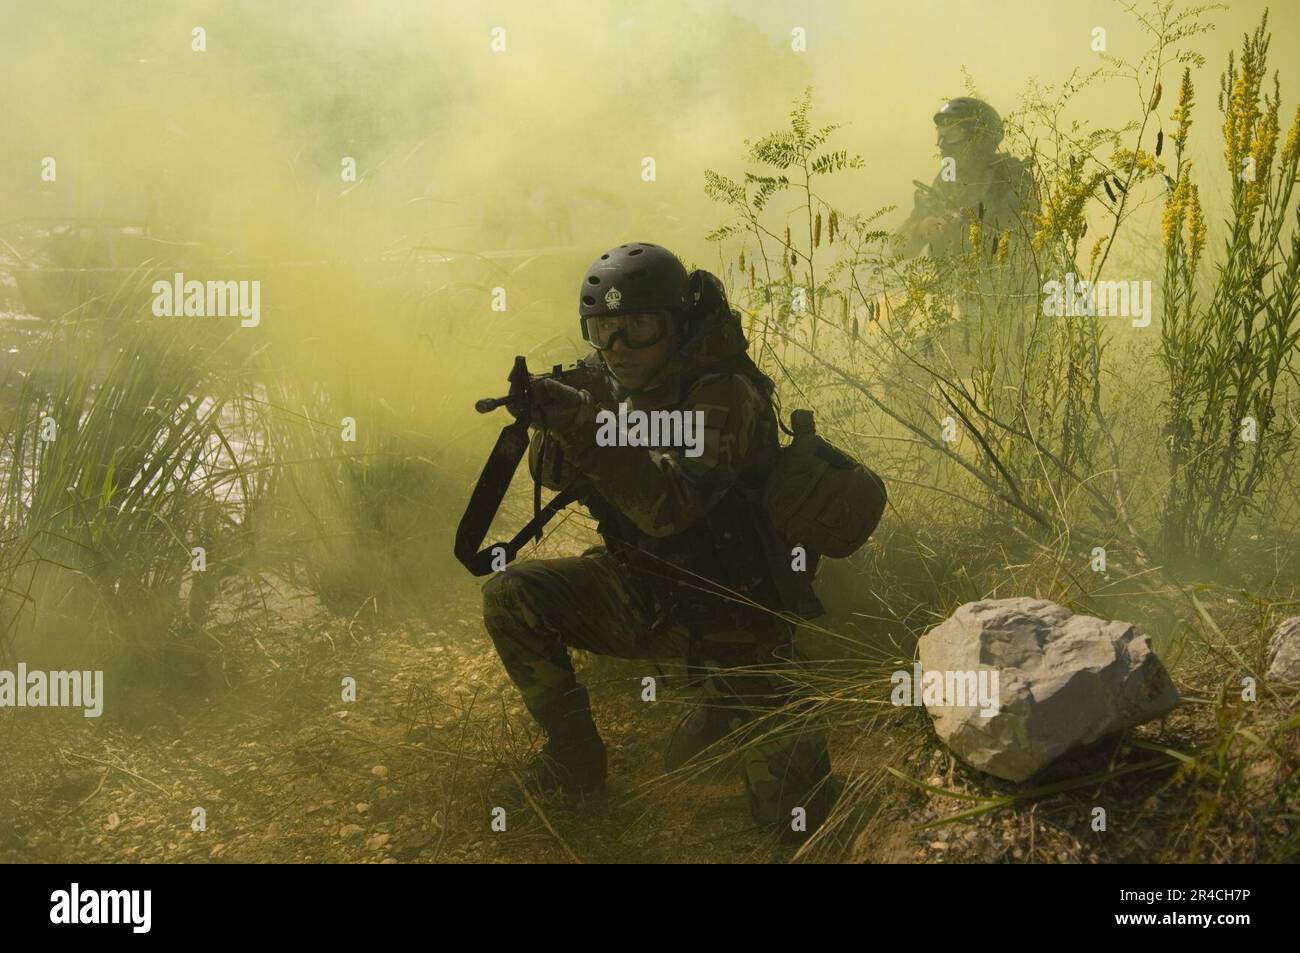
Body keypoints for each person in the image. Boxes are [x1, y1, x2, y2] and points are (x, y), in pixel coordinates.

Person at [480, 242, 835, 832]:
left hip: (736, 612)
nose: (618, 348)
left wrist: (586, 423)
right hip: (645, 589)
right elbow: (553, 476)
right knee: (511, 595)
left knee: (798, 823)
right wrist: (554, 417)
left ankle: (732, 699)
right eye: (604, 330)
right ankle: (574, 762)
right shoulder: (612, 384)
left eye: (638, 327)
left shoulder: (724, 393)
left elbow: (668, 508)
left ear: (677, 324)